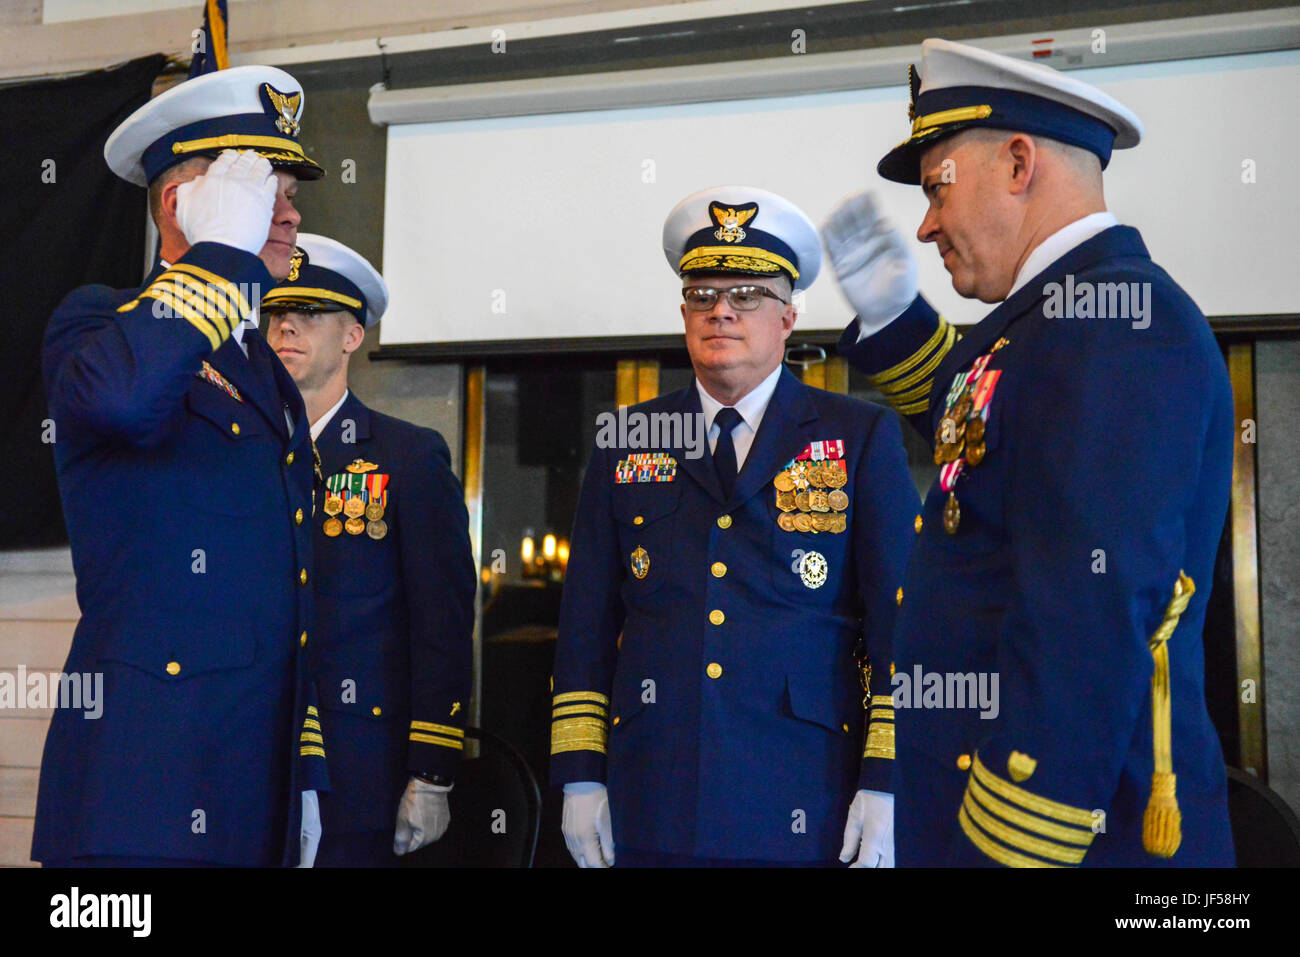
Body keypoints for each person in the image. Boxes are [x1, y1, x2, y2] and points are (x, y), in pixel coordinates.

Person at [823, 38, 1235, 866]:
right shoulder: (1058, 319)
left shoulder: (1119, 322)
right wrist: (897, 317)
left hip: (1056, 830)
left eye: (938, 186)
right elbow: (980, 429)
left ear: (1018, 163)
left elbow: (1094, 596)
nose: (927, 222)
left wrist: (1018, 828)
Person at [550, 186, 919, 866]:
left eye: (746, 293)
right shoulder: (628, 437)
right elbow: (586, 623)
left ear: (788, 315)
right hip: (652, 786)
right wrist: (579, 769)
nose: (720, 310)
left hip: (805, 789)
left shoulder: (858, 435)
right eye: (701, 293)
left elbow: (904, 621)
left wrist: (887, 780)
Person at [35, 65, 329, 867]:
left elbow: (289, 594)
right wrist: (220, 260)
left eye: (288, 193)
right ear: (181, 204)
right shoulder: (98, 324)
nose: (292, 213)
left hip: (249, 789)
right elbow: (128, 402)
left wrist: (302, 774)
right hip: (140, 791)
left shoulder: (265, 373)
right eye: (261, 189)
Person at [262, 235, 476, 866]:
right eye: (276, 314)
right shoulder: (242, 457)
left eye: (310, 315)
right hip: (251, 760)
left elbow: (441, 623)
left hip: (360, 766)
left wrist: (433, 771)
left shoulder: (407, 456)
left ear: (353, 336)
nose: (287, 328)